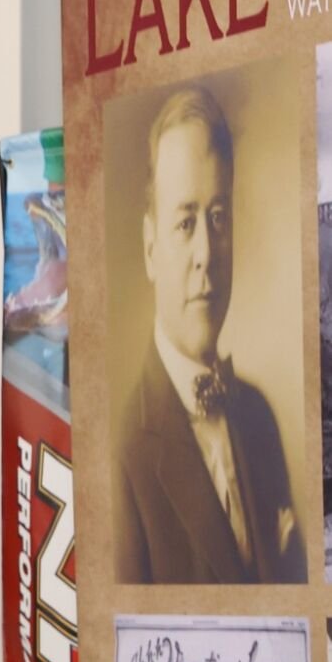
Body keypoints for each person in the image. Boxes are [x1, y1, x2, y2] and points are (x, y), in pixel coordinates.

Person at [114, 85, 305, 584]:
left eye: (218, 218)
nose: (206, 251)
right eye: (185, 222)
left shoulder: (258, 416)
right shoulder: (122, 453)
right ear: (150, 246)